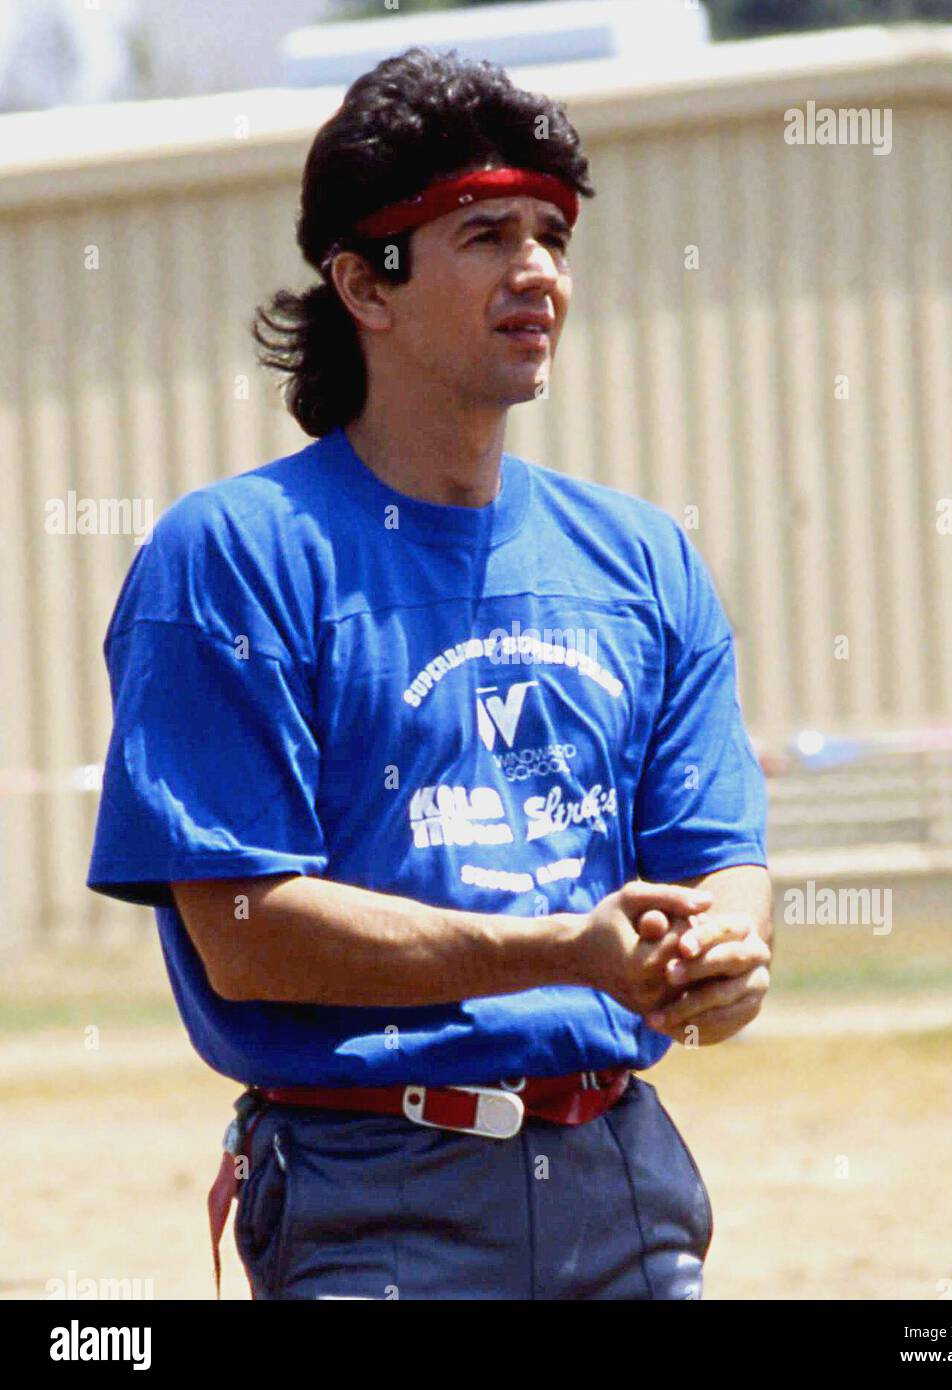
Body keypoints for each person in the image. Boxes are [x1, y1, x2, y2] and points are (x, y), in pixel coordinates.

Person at [88, 46, 772, 1301]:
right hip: (375, 1197)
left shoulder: (640, 559)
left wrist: (722, 952)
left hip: (626, 1177)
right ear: (365, 282)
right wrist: (569, 947)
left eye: (553, 234)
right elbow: (245, 933)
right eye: (485, 233)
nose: (540, 273)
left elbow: (717, 858)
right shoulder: (230, 559)